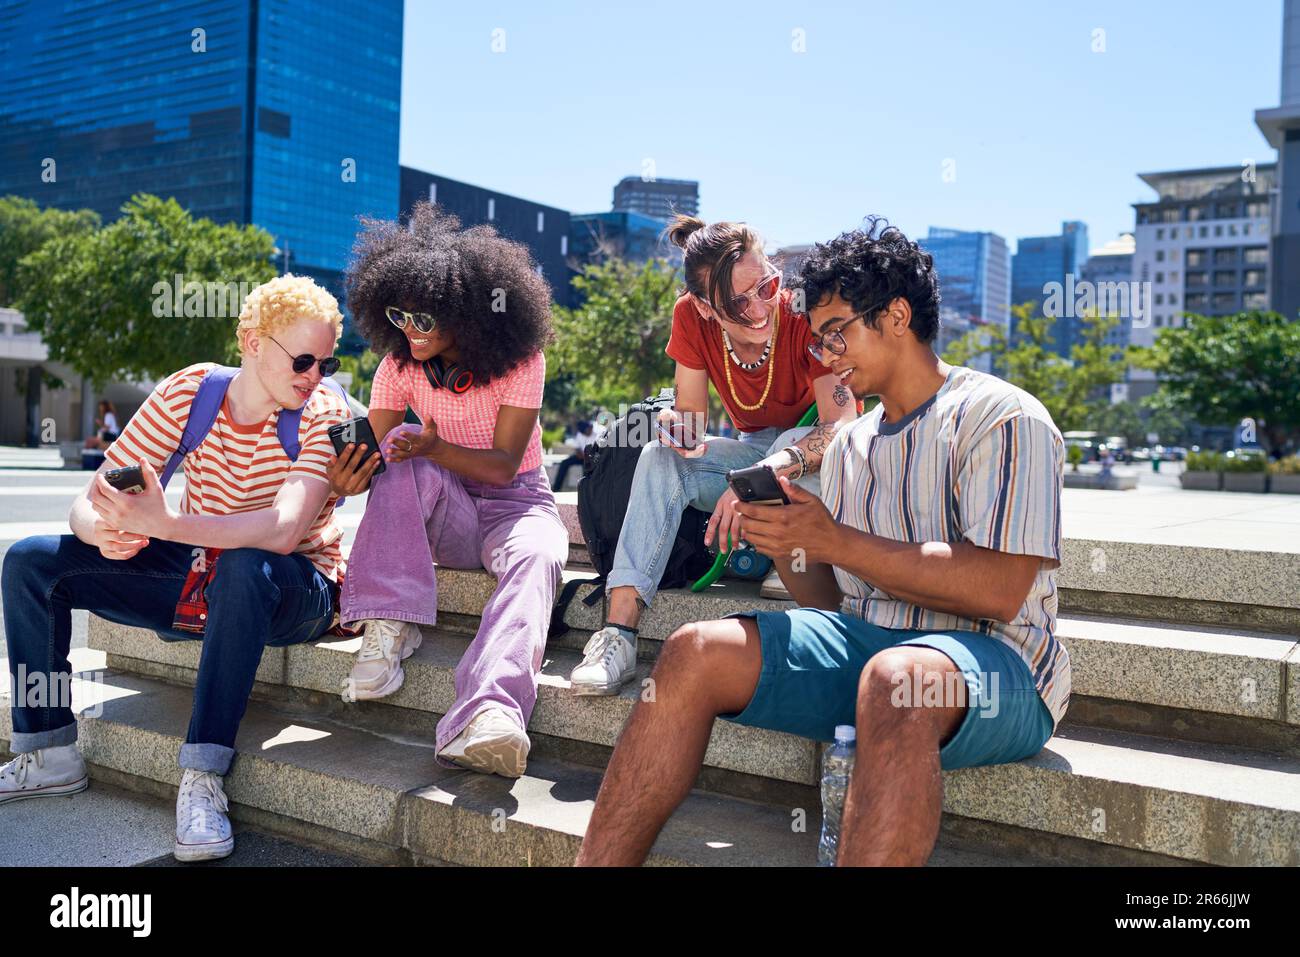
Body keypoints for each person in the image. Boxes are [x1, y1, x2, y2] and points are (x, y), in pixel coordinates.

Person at [576, 220, 1071, 866]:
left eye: (837, 331)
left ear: (897, 316)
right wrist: (788, 540)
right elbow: (831, 602)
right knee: (694, 650)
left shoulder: (1002, 417)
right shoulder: (850, 444)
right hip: (871, 647)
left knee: (895, 681)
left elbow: (1000, 590)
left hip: (1002, 667)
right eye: (819, 339)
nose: (828, 354)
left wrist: (834, 537)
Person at [1, 275, 353, 862]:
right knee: (32, 561)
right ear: (252, 341)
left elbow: (283, 529)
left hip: (297, 586)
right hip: (198, 574)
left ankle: (203, 776)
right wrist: (105, 531)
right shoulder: (190, 393)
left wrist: (161, 525)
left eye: (326, 361)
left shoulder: (323, 411)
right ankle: (49, 751)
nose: (314, 373)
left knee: (245, 564)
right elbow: (92, 496)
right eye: (304, 358)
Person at [568, 215, 859, 696]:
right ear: (704, 307)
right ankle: (616, 635)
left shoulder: (805, 313)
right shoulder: (689, 317)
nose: (760, 307)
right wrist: (676, 429)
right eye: (737, 303)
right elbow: (692, 420)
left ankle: (781, 556)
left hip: (824, 458)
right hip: (757, 448)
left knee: (787, 441)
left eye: (766, 286)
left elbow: (841, 424)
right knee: (658, 460)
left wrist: (768, 469)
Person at [329, 202, 566, 779]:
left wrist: (432, 448)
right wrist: (340, 482)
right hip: (449, 508)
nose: (410, 331)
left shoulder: (521, 361)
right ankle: (388, 624)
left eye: (426, 320)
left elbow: (506, 466)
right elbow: (377, 454)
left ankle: (490, 715)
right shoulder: (397, 365)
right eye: (398, 315)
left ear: (467, 316)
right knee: (402, 450)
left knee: (538, 557)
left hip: (518, 503)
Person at [551, 419, 596, 491]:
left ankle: (586, 490)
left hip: (592, 458)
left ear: (590, 428)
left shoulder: (598, 434)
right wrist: (579, 453)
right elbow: (577, 448)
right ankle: (556, 488)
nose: (585, 434)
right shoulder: (580, 434)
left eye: (586, 431)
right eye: (583, 433)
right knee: (564, 463)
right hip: (582, 456)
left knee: (586, 468)